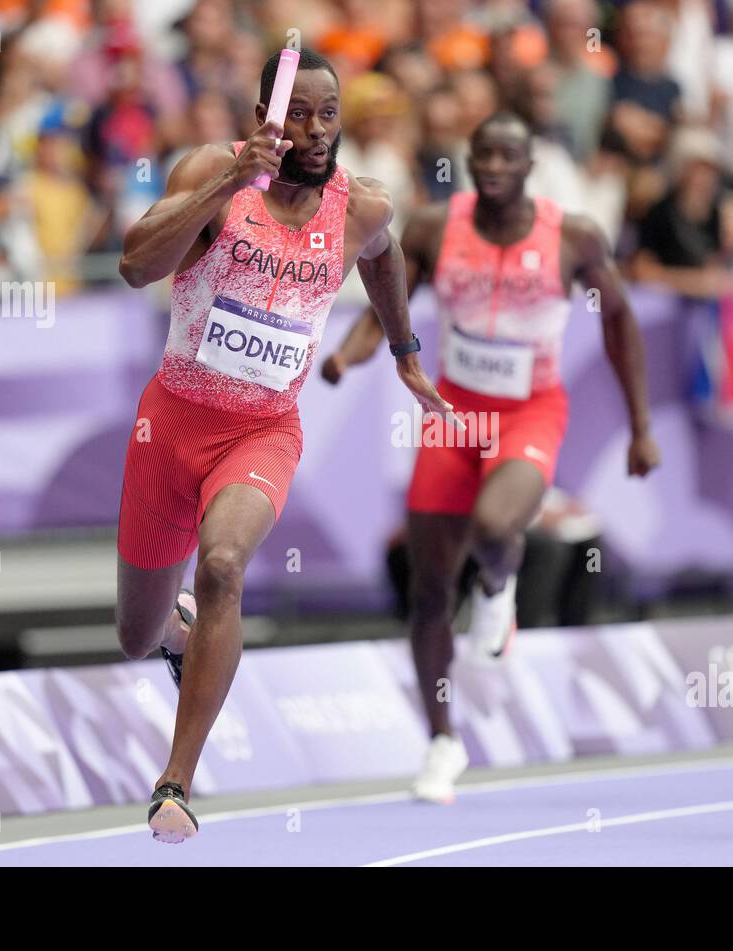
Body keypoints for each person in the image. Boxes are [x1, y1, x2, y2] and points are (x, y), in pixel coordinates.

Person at [114, 48, 449, 843]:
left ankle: (176, 782)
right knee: (134, 635)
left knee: (225, 563)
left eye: (329, 113)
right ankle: (173, 628)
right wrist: (230, 184)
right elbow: (135, 265)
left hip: (263, 432)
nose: (317, 128)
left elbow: (386, 256)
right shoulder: (210, 172)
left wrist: (403, 351)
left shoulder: (359, 206)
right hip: (170, 425)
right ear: (264, 115)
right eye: (298, 112)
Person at [322, 112, 660, 804]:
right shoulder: (432, 228)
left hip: (530, 410)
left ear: (530, 164)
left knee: (496, 525)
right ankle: (442, 740)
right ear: (470, 160)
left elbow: (621, 321)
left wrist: (640, 427)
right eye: (484, 157)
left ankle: (500, 593)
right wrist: (346, 357)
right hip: (453, 412)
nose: (495, 167)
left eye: (509, 157)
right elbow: (386, 308)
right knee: (427, 588)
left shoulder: (574, 237)